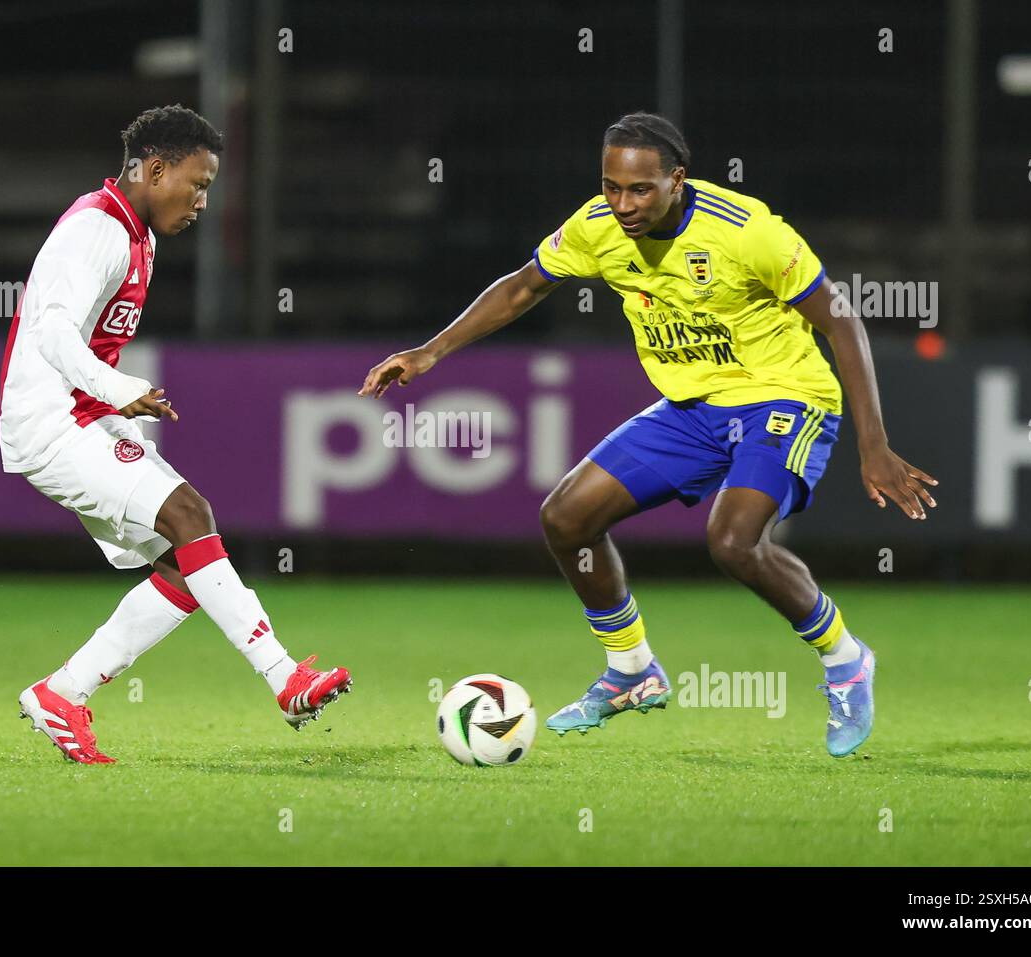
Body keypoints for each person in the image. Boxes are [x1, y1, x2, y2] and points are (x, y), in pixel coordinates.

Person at [359, 112, 937, 757]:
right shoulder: (596, 226)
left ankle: (846, 659)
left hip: (783, 395)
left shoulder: (749, 232)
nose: (623, 204)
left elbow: (842, 320)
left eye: (640, 190)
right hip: (691, 406)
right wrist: (430, 353)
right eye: (611, 186)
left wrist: (873, 444)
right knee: (567, 517)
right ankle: (633, 671)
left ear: (677, 181)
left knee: (732, 540)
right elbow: (523, 288)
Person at [0, 105, 351, 764]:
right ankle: (285, 679)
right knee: (191, 516)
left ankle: (63, 692)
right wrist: (120, 389)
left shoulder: (139, 234)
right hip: (51, 420)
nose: (203, 201)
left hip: (82, 414)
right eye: (197, 183)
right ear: (155, 169)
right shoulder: (98, 230)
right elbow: (50, 330)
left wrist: (111, 399)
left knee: (187, 564)